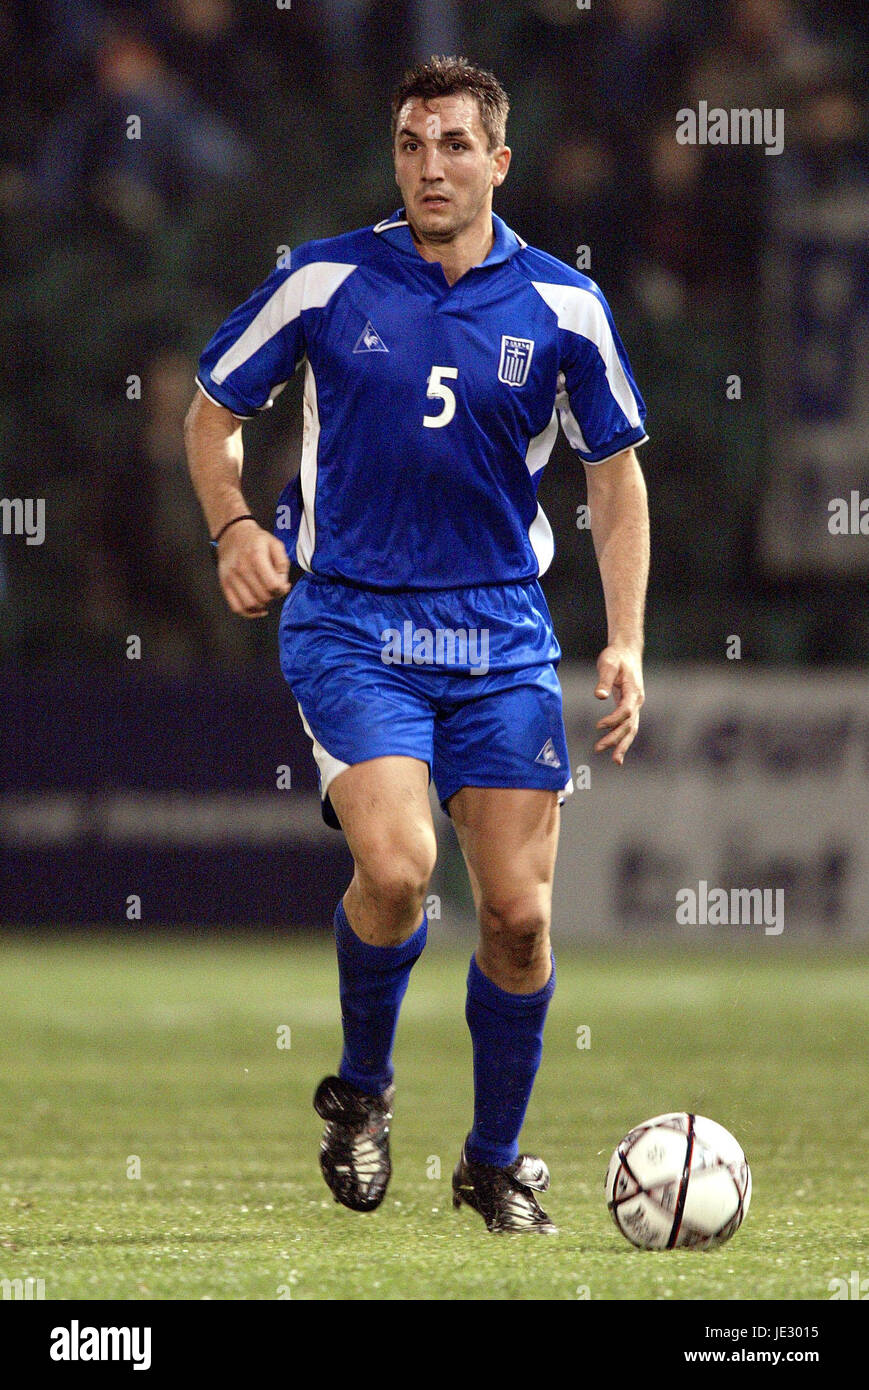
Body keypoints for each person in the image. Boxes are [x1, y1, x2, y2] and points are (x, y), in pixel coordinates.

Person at [184, 56, 649, 1234]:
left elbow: (616, 476)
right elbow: (210, 414)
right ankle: (364, 1090)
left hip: (498, 633)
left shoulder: (559, 307)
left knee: (518, 917)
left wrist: (626, 639)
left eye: (452, 143)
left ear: (499, 160)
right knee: (395, 872)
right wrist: (234, 524)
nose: (429, 164)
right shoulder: (326, 279)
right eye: (409, 143)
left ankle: (492, 1163)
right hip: (353, 625)